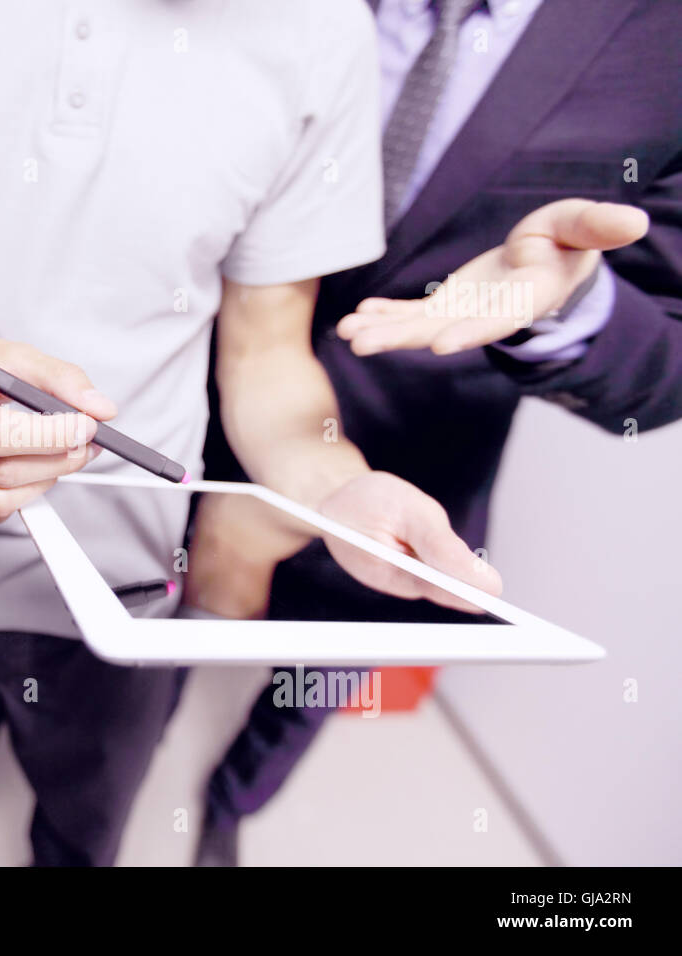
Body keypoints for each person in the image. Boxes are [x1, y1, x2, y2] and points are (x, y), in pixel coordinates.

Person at [0, 0, 501, 866]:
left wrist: (331, 487)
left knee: (86, 831)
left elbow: (266, 357)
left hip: (131, 592)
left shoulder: (323, 30)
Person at [190, 0, 682, 866]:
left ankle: (230, 804)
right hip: (201, 392)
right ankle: (139, 735)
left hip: (422, 457)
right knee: (167, 621)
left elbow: (665, 362)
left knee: (316, 680)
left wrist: (565, 303)